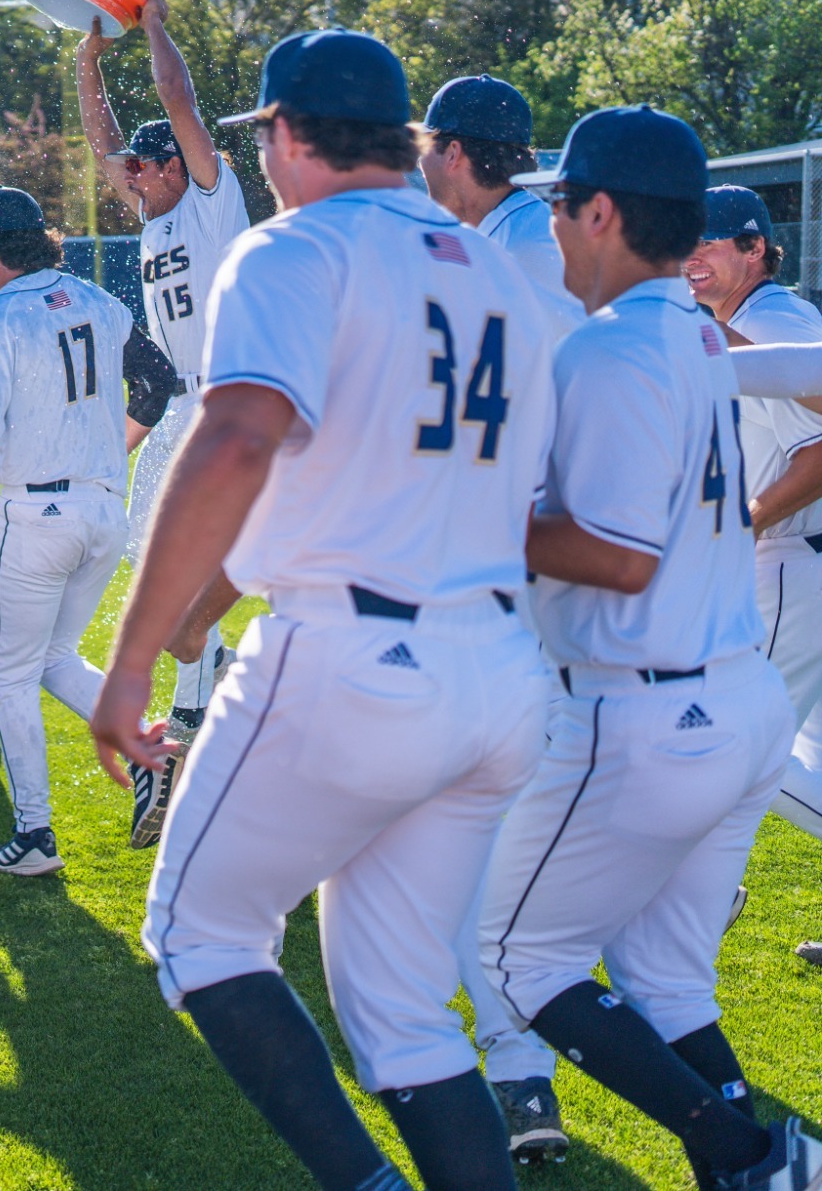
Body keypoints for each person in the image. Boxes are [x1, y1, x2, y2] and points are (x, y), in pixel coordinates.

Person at [92, 29, 559, 1191]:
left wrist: (135, 653)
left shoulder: (290, 247)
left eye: (268, 143)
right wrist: (201, 610)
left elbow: (240, 436)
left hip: (353, 656)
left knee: (198, 936)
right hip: (497, 667)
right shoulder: (497, 263)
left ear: (288, 136)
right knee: (401, 1011)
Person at [478, 107, 819, 1189]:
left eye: (561, 208)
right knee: (663, 977)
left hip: (644, 709)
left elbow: (615, 557)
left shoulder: (618, 344)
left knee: (509, 954)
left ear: (602, 211)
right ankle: (761, 1163)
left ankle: (742, 1153)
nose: (556, 233)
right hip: (736, 703)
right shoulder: (688, 329)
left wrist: (463, 513)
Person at [420, 71, 583, 1164]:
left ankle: (518, 1068)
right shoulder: (518, 237)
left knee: (484, 836)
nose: (419, 162)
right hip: (526, 571)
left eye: (429, 144)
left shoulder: (512, 252)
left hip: (518, 576)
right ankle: (514, 1063)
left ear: (468, 152)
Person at [0, 187, 171, 875]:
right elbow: (158, 380)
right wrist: (103, 452)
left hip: (37, 515)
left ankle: (36, 834)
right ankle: (153, 752)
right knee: (52, 658)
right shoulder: (97, 300)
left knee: (9, 676)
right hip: (102, 510)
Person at [75, 0, 250, 846]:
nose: (131, 176)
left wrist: (151, 27)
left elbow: (179, 103)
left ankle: (186, 734)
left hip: (230, 399)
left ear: (179, 165)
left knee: (183, 580)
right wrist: (85, 63)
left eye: (147, 166)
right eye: (133, 168)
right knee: (152, 571)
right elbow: (103, 142)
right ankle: (198, 713)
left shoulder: (211, 198)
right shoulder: (152, 209)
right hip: (186, 405)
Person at [685, 185, 822, 972]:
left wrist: (749, 518)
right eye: (684, 244)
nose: (692, 258)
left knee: (743, 753)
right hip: (797, 564)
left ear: (757, 249)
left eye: (711, 243)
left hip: (789, 568)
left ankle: (700, 911)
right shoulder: (743, 322)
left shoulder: (771, 322)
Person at [419, 74, 586, 341]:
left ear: (453, 153)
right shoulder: (522, 229)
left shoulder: (524, 250)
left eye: (424, 146)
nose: (420, 161)